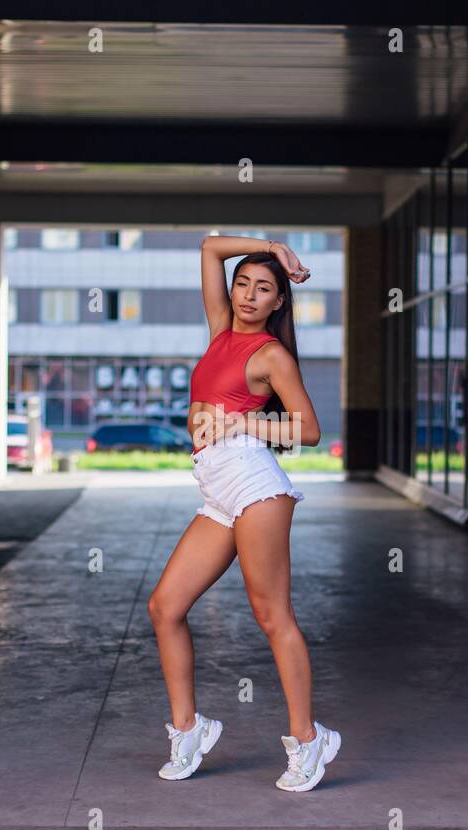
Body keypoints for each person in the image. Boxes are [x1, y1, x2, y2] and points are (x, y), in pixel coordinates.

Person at [145, 234, 341, 792]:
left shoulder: (270, 355)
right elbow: (209, 247)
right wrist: (273, 246)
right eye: (243, 284)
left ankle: (309, 739)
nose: (249, 295)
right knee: (166, 606)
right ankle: (189, 729)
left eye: (264, 289)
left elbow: (309, 430)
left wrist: (243, 422)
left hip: (254, 483)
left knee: (271, 615)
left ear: (280, 302)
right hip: (216, 489)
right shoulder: (219, 332)